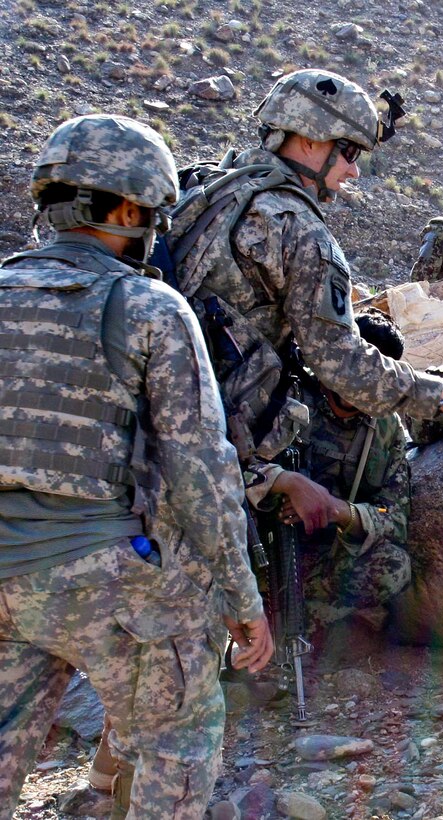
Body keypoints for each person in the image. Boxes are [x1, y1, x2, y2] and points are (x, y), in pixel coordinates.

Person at [0, 115, 273, 819]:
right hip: (109, 580)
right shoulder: (148, 307)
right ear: (125, 210)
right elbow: (201, 470)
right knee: (179, 739)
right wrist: (242, 601)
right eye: (149, 213)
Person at [168, 68, 443, 528]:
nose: (353, 169)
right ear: (308, 141)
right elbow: (341, 364)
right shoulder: (299, 228)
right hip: (216, 454)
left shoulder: (204, 188)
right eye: (347, 152)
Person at [253, 309, 414, 640]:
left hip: (326, 559)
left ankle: (304, 622)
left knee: (393, 567)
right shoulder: (285, 396)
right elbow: (224, 468)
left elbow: (395, 516)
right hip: (260, 550)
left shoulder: (386, 430)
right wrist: (283, 482)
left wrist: (340, 512)